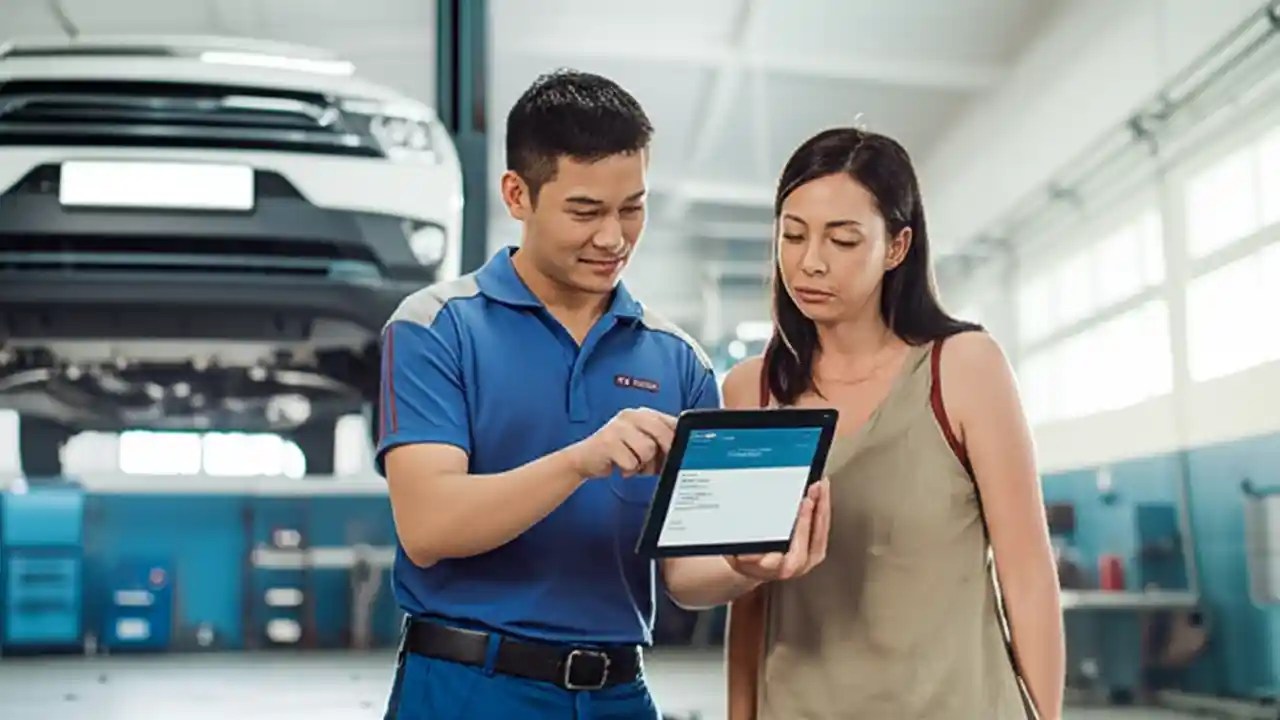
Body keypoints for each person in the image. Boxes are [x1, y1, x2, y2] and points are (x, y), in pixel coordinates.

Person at [375, 69, 831, 720]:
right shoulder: (435, 327)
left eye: (632, 208)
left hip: (619, 695)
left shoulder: (676, 360)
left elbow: (685, 578)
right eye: (585, 211)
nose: (613, 238)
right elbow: (428, 526)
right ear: (517, 194)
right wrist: (579, 461)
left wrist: (752, 562)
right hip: (465, 689)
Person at [722, 127, 1065, 720]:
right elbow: (749, 596)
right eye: (793, 235)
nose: (811, 261)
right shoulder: (753, 390)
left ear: (897, 246)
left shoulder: (962, 369)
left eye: (844, 240)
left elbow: (1028, 575)